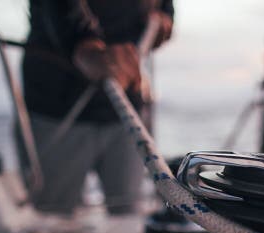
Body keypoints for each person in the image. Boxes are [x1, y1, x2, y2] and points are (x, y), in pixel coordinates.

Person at [21, 0, 174, 215]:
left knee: (129, 212)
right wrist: (84, 44)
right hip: (58, 108)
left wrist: (165, 16)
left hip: (126, 108)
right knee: (52, 221)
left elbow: (164, 7)